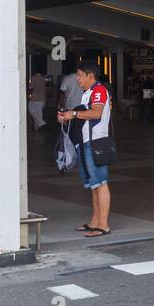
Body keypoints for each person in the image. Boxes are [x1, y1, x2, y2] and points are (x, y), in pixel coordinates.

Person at [57, 62, 112, 237]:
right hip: (86, 142)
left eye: (80, 75)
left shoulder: (99, 91)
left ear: (90, 75)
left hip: (96, 143)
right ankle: (95, 222)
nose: (78, 79)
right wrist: (69, 115)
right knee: (93, 184)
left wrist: (73, 114)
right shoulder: (88, 93)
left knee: (100, 183)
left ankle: (103, 225)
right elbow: (85, 114)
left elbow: (96, 113)